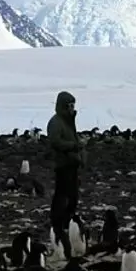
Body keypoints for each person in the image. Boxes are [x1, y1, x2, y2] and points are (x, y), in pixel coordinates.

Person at [46, 90, 84, 255]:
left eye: (73, 105)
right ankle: (57, 224)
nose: (72, 108)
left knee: (73, 195)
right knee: (62, 195)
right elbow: (55, 141)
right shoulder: (56, 122)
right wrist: (72, 146)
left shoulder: (68, 121)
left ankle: (66, 222)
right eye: (70, 105)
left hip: (72, 163)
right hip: (63, 164)